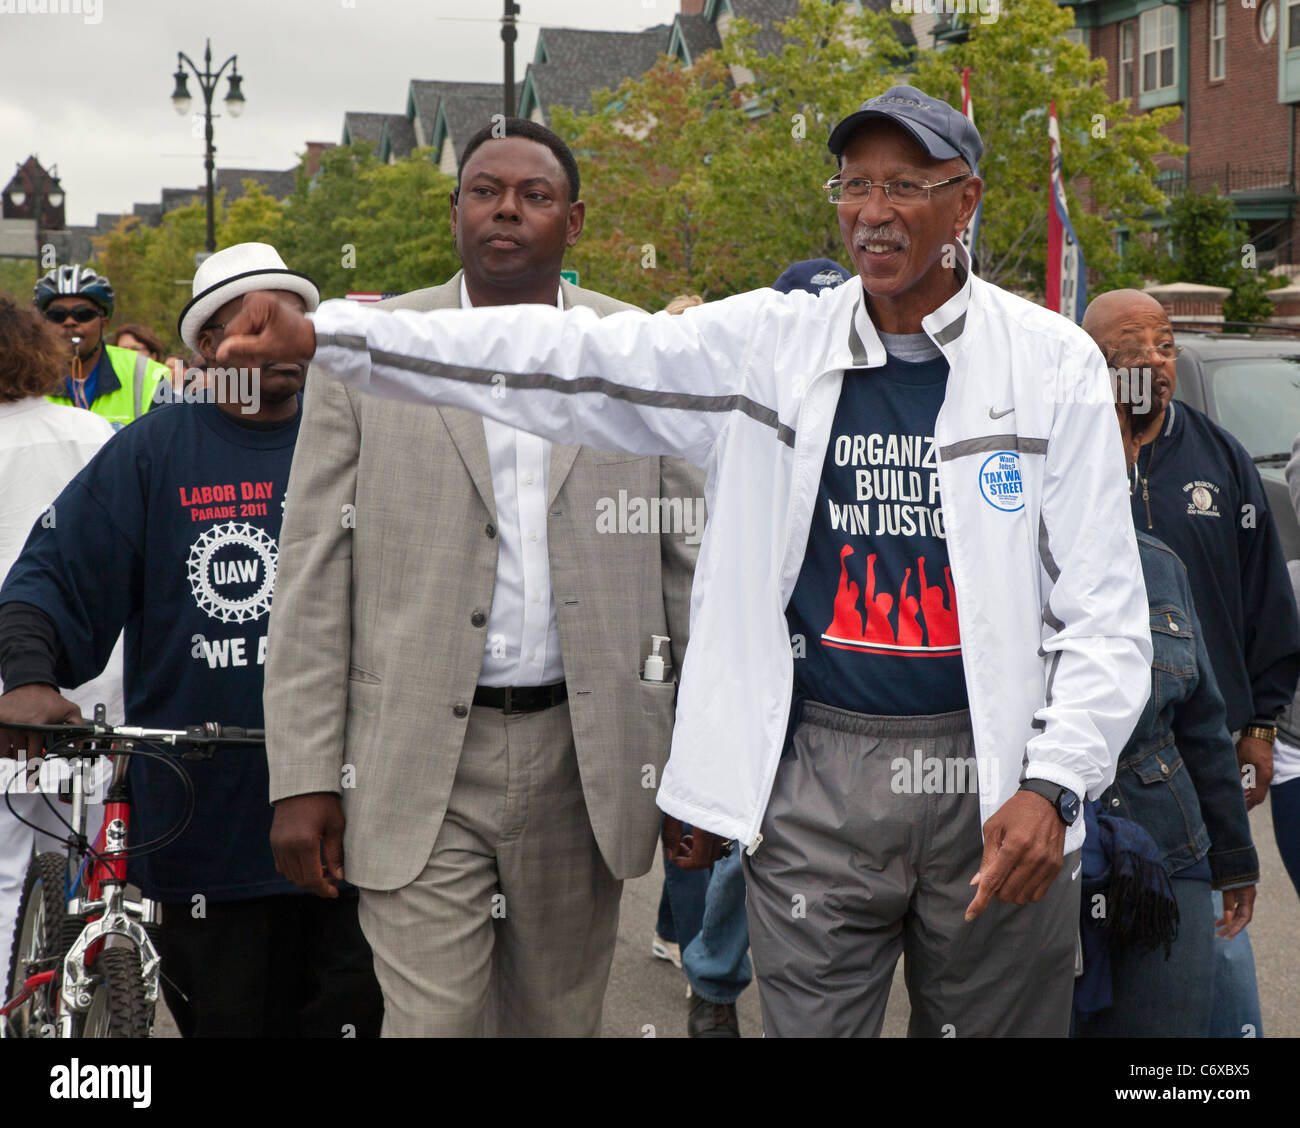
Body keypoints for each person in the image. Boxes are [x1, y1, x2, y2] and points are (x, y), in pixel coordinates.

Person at [219, 86, 1154, 1038]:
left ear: (966, 203)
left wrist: (1054, 782)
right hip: (816, 774)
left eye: (905, 185)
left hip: (990, 771)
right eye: (854, 184)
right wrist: (333, 336)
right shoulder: (772, 342)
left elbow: (1105, 615)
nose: (872, 210)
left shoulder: (1052, 364)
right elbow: (567, 357)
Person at [261, 119, 701, 1037]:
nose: (507, 209)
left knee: (556, 1023)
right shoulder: (368, 353)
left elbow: (685, 570)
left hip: (585, 758)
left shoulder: (642, 356)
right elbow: (310, 577)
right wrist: (301, 775)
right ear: (453, 209)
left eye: (535, 195)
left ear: (574, 222)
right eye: (485, 190)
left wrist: (699, 774)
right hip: (414, 758)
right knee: (436, 1025)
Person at [0, 243, 383, 1038]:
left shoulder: (363, 438)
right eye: (256, 323)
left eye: (293, 319)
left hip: (361, 829)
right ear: (210, 347)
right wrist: (28, 677)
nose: (282, 338)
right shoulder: (151, 452)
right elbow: (47, 581)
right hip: (206, 832)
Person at [1082, 288, 1300, 1037]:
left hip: (1199, 755)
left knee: (1220, 968)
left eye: (1164, 345)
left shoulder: (1220, 458)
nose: (1151, 363)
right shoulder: (1070, 459)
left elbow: (1266, 600)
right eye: (1128, 352)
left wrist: (1260, 727)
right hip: (1094, 762)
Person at [0, 295, 123, 989]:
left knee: (5, 885)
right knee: (83, 879)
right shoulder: (95, 435)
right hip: (90, 701)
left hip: (10, 707)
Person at [34, 265, 171, 430]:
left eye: (83, 314)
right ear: (43, 324)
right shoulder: (24, 376)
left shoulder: (147, 373)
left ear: (104, 324)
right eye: (57, 315)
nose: (69, 322)